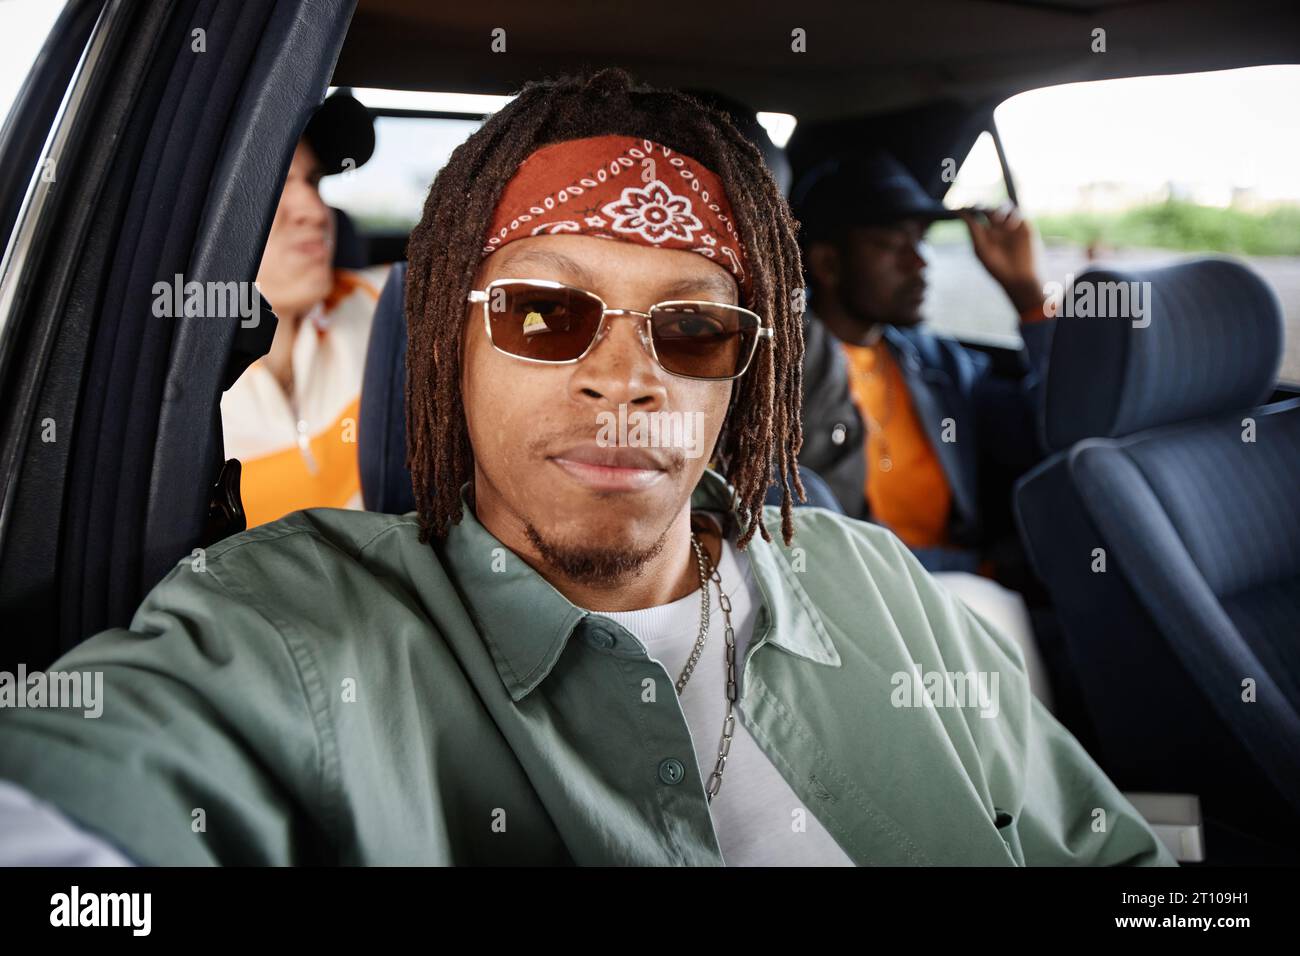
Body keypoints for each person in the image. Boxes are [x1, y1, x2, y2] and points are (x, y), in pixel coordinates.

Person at [0, 69, 1172, 867]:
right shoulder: (301, 625)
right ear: (445, 350)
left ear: (744, 376)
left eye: (694, 329)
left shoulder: (880, 586)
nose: (628, 378)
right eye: (545, 314)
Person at [792, 150, 1055, 576]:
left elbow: (1046, 428)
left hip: (956, 582)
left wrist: (1029, 300)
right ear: (828, 263)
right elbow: (824, 547)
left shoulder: (939, 363)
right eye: (891, 244)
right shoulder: (782, 379)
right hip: (868, 592)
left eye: (918, 241)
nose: (919, 262)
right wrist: (978, 570)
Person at [221, 91, 389, 528]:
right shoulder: (165, 391)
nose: (316, 211)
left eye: (313, 182)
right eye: (274, 187)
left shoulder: (388, 308)